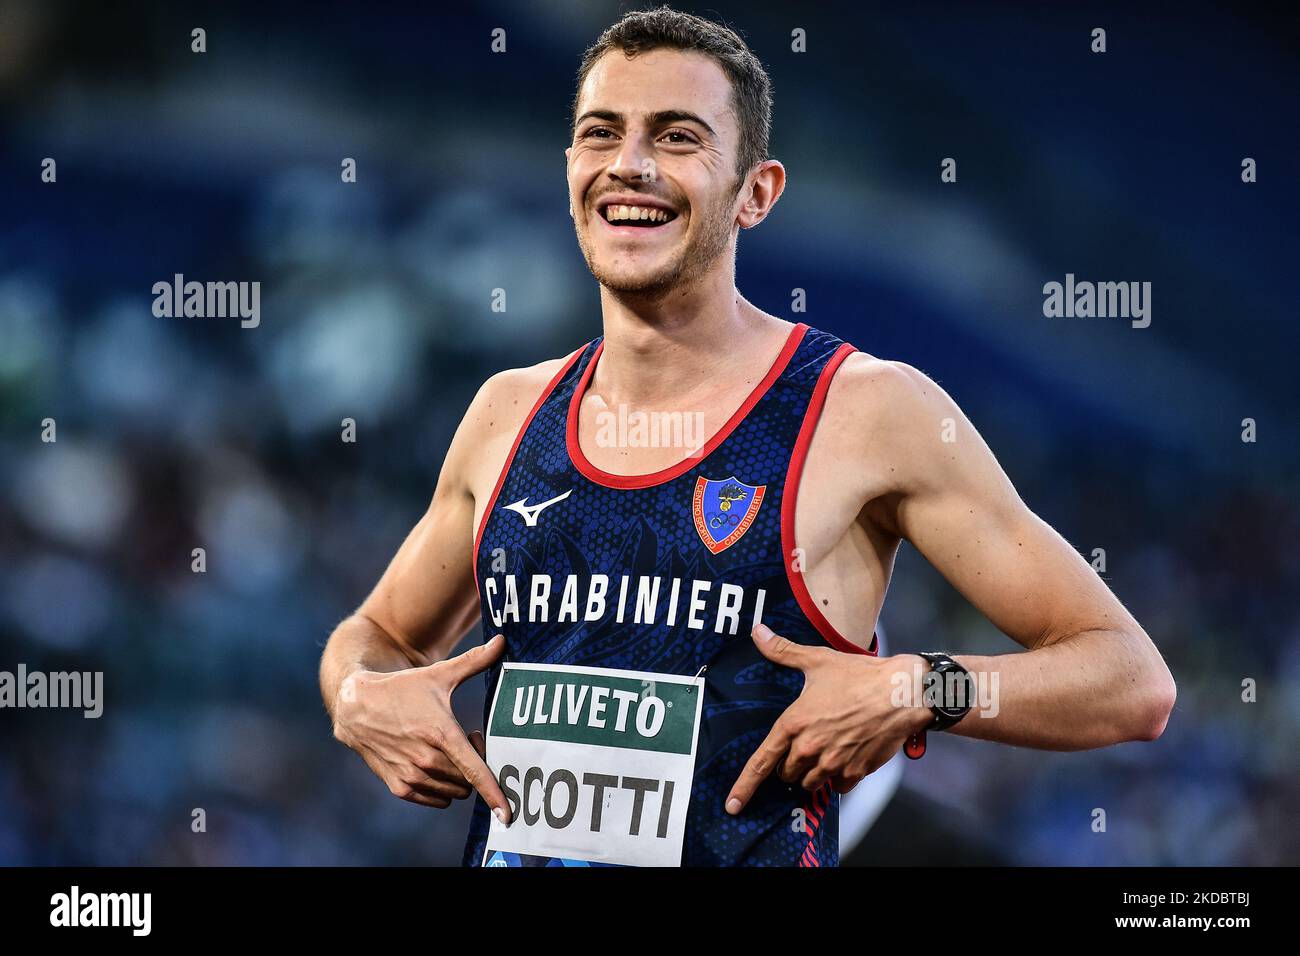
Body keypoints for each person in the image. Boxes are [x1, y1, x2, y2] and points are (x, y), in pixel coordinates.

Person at [318, 6, 1175, 867]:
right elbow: (379, 636)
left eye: (677, 136)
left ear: (756, 193)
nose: (631, 165)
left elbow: (1130, 681)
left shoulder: (868, 410)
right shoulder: (509, 410)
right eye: (601, 133)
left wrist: (919, 685)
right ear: (572, 167)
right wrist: (359, 695)